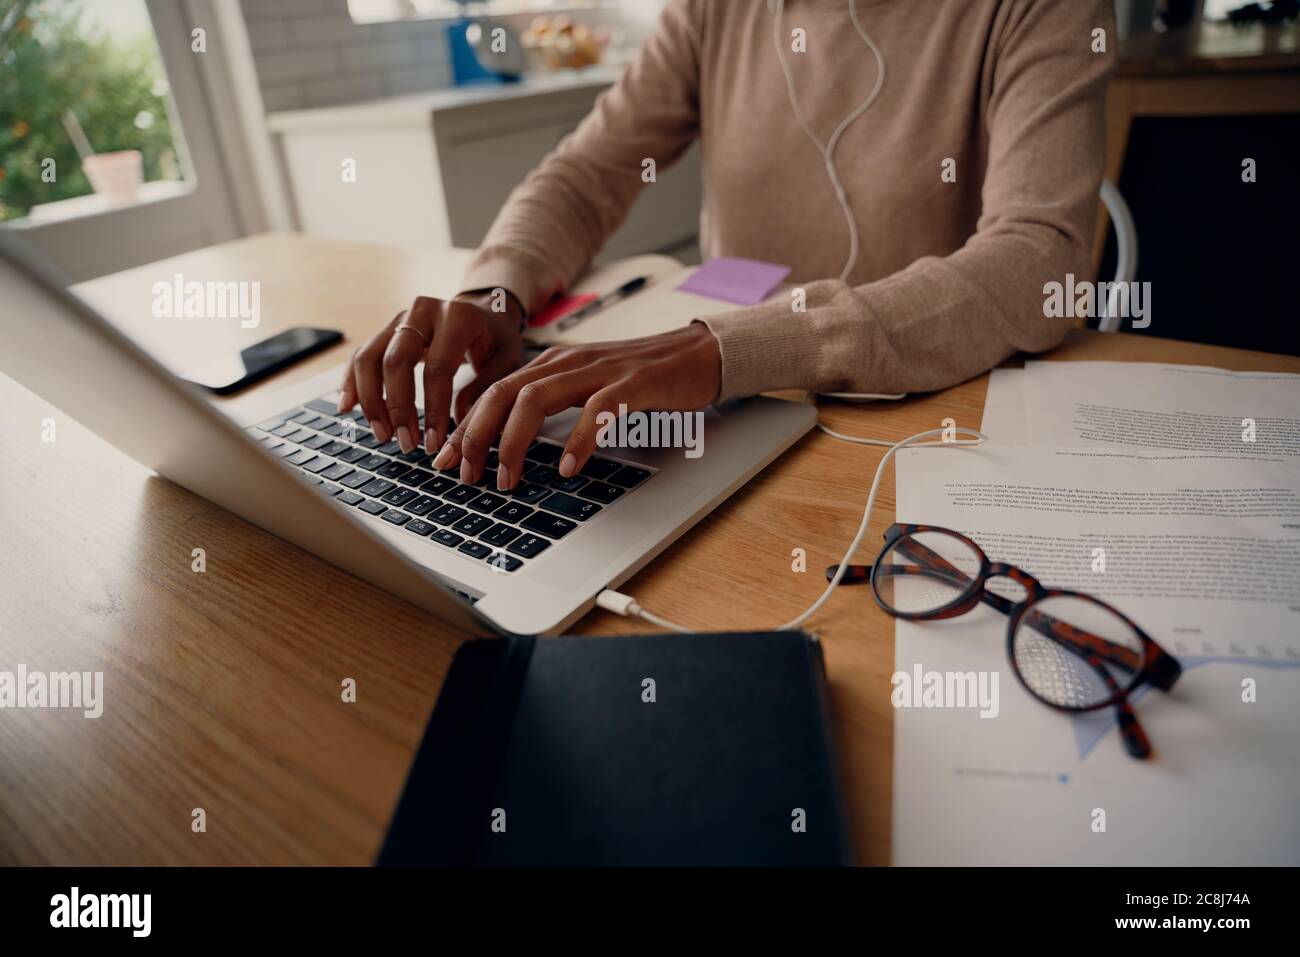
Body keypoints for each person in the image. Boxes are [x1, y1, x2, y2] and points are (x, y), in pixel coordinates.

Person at [338, 0, 1114, 492]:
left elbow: (1041, 261)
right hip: (721, 419)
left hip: (916, 429)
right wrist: (494, 292)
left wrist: (723, 350)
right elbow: (585, 175)